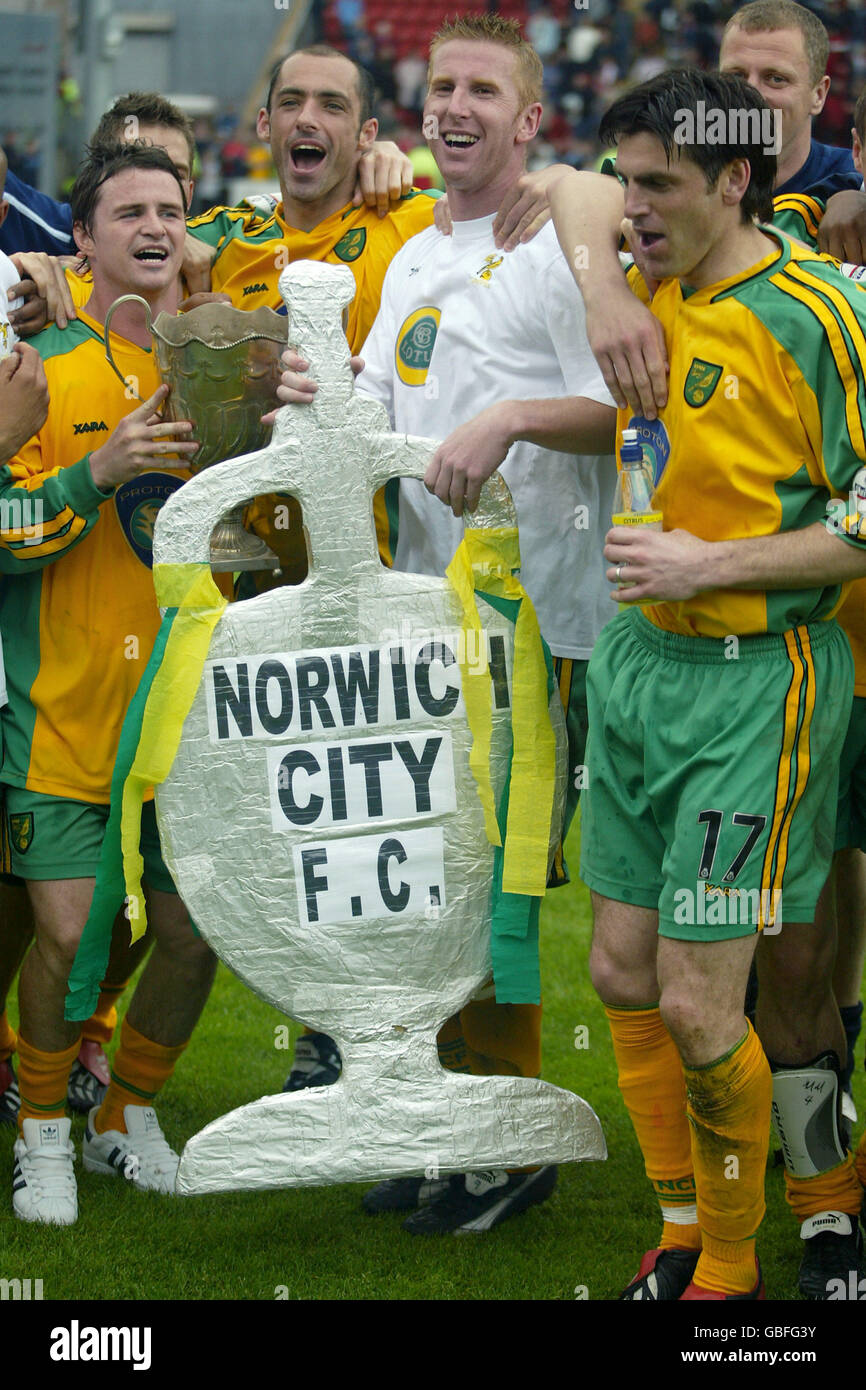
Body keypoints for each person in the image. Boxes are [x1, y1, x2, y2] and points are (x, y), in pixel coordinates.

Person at [274, 13, 617, 1233]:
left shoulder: (560, 251)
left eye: (483, 89)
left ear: (531, 119)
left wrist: (513, 416)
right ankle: (452, 1118)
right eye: (440, 88)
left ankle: (507, 1130)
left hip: (530, 627)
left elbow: (613, 407)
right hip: (423, 623)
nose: (454, 107)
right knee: (424, 887)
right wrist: (320, 397)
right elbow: (373, 400)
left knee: (493, 883)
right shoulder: (417, 251)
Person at [551, 67, 866, 1300]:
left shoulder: (814, 312)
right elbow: (557, 188)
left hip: (756, 681)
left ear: (735, 179)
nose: (633, 207)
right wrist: (594, 294)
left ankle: (732, 1270)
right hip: (638, 669)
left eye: (659, 186)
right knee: (619, 973)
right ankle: (682, 1225)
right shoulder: (641, 286)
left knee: (701, 999)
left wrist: (708, 560)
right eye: (627, 181)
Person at [2, 142, 217, 1226]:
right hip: (65, 720)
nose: (152, 226)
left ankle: (121, 1113)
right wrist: (97, 472)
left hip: (191, 723)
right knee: (68, 930)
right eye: (126, 210)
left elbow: (265, 545)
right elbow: (2, 534)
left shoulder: (221, 363)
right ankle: (40, 1128)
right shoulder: (34, 367)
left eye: (170, 209)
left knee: (189, 936)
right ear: (78, 240)